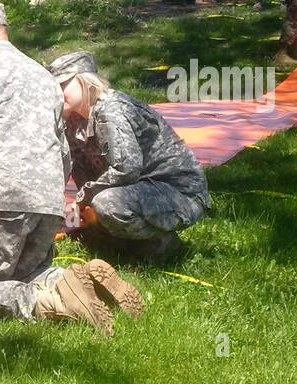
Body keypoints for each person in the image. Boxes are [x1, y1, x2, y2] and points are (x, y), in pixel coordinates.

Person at [0, 0, 144, 337]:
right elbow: (62, 151)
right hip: (47, 203)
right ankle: (78, 279)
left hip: (1, 197)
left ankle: (48, 304)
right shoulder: (44, 77)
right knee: (27, 269)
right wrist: (49, 194)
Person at [46, 51, 210, 260]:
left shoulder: (112, 111)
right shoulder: (73, 118)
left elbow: (126, 169)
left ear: (84, 81)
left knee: (108, 205)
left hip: (178, 193)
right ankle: (118, 237)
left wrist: (82, 199)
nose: (56, 94)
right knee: (95, 214)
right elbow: (71, 166)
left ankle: (163, 246)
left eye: (61, 86)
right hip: (139, 190)